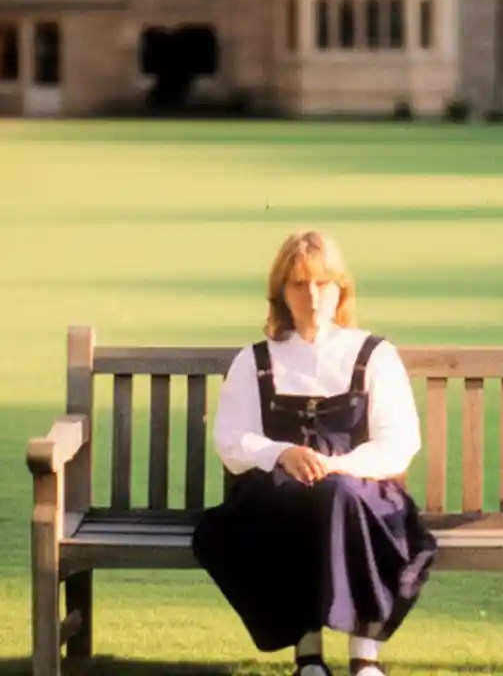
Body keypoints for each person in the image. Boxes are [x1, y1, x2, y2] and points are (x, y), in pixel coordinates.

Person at [192, 230, 437, 676]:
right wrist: (284, 453)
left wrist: (337, 466)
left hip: (364, 496)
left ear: (340, 288)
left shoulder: (374, 355)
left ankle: (364, 658)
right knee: (305, 501)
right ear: (281, 293)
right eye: (299, 283)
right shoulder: (255, 361)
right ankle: (309, 657)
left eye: (322, 283)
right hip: (279, 497)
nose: (311, 295)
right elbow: (231, 439)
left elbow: (399, 442)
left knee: (338, 497)